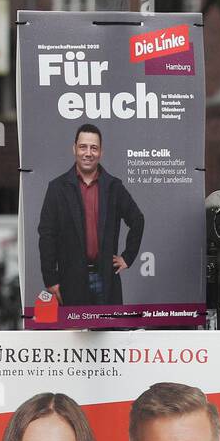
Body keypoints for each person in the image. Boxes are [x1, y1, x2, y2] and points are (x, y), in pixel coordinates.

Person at [37, 123, 145, 307]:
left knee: (108, 335)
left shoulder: (114, 187)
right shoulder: (57, 188)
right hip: (69, 280)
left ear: (101, 152)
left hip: (105, 278)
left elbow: (137, 219)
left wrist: (127, 257)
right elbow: (47, 235)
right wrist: (51, 280)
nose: (88, 153)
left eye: (94, 148)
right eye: (83, 147)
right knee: (74, 334)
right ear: (74, 149)